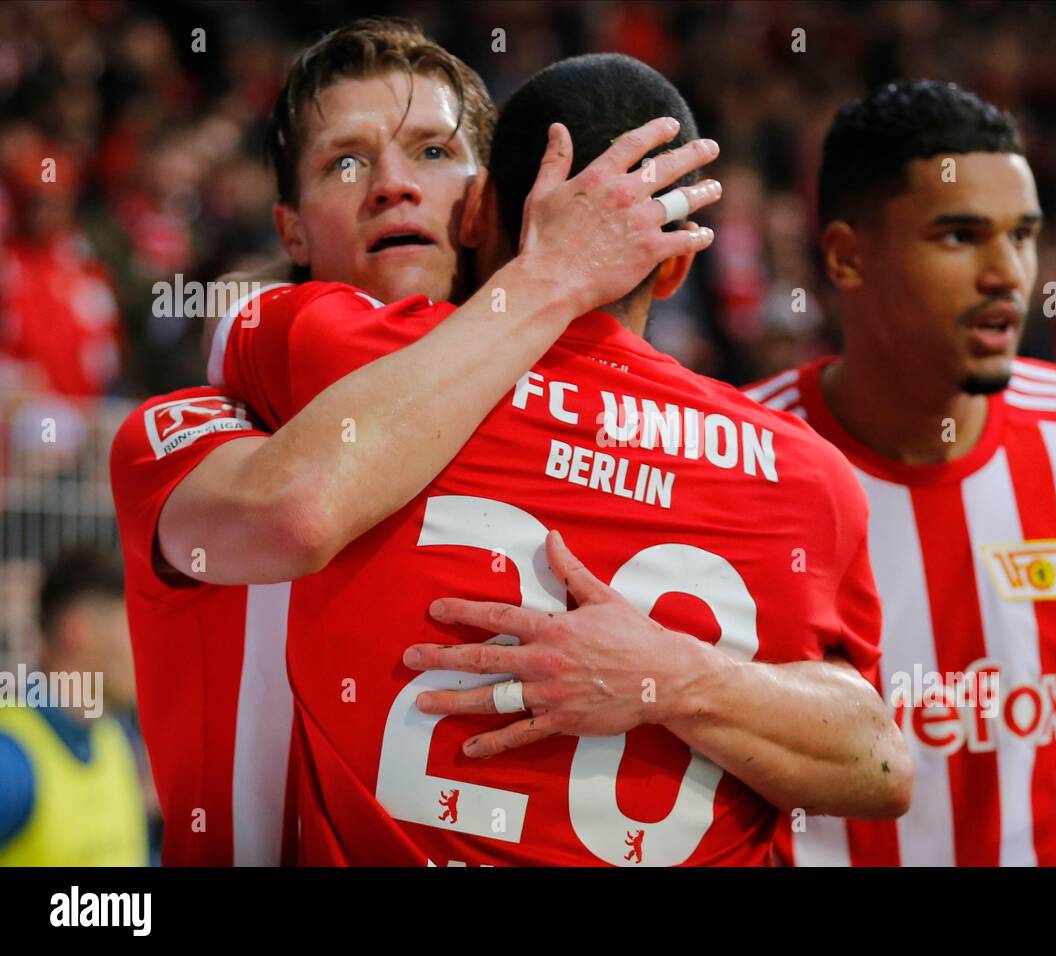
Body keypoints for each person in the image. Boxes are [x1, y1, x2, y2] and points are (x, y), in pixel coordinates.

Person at [214, 52, 909, 866]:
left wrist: (667, 673)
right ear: (680, 262)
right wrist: (683, 680)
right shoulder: (806, 475)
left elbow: (233, 321)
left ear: (478, 216)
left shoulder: (337, 348)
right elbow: (883, 769)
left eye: (436, 155)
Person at [110, 17, 722, 865]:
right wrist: (552, 278)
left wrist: (703, 683)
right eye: (346, 162)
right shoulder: (189, 434)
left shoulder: (597, 432)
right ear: (290, 230)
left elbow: (867, 750)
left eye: (433, 153)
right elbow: (295, 514)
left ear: (485, 204)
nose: (392, 184)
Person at [749, 80, 1056, 867]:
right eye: (961, 236)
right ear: (845, 257)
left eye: (1024, 235)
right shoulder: (736, 459)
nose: (1009, 272)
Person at [0, 549, 147, 866]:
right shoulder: (11, 760)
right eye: (138, 628)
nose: (153, 651)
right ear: (78, 632)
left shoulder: (111, 735)